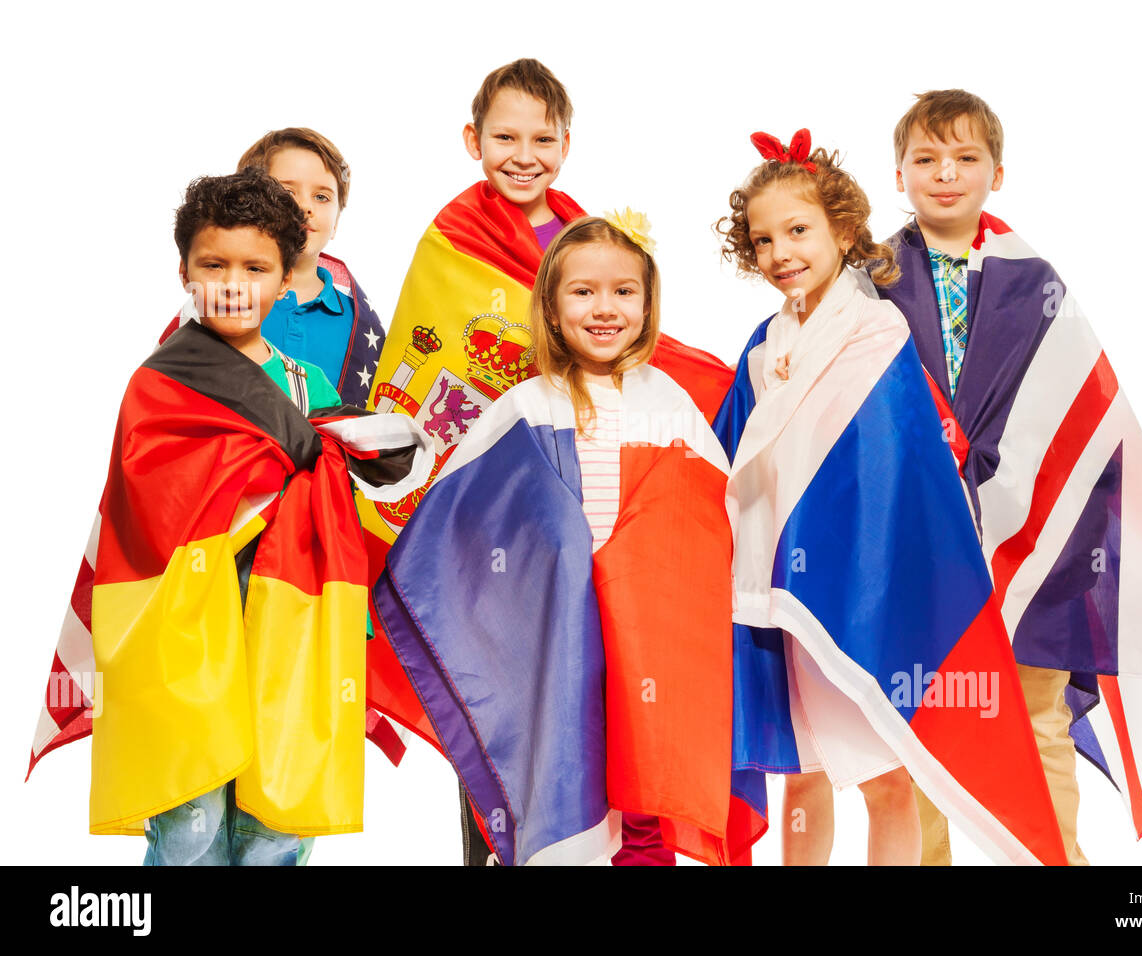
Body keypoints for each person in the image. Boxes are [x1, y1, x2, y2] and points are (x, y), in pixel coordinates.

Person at [361, 58, 732, 865]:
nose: (523, 153)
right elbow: (428, 376)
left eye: (542, 137)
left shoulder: (579, 236)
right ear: (474, 139)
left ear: (566, 144)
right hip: (514, 545)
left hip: (622, 586)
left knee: (634, 765)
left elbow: (691, 486)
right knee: (515, 736)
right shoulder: (450, 244)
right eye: (504, 136)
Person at [880, 89, 1142, 864]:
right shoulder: (876, 277)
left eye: (965, 158)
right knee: (926, 719)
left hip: (1037, 534)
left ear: (997, 171)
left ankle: (1056, 858)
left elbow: (1080, 408)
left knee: (1036, 715)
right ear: (899, 175)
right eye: (926, 159)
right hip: (920, 532)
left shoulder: (1033, 280)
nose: (945, 174)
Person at [27, 169, 431, 864]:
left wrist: (342, 462)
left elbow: (352, 485)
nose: (234, 283)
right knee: (191, 817)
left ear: (284, 278)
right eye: (214, 265)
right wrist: (282, 471)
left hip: (290, 614)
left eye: (255, 267)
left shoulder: (310, 388)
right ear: (184, 271)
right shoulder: (162, 383)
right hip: (184, 625)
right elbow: (149, 505)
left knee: (276, 821)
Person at [713, 130, 1066, 866]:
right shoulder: (760, 345)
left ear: (842, 230)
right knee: (802, 774)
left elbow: (891, 468)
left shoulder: (876, 329)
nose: (782, 253)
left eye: (799, 231)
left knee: (888, 776)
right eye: (764, 239)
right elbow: (733, 457)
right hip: (780, 590)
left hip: (860, 587)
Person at [159, 128, 386, 407]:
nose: (305, 207)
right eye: (287, 192)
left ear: (337, 220)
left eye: (322, 197)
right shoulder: (221, 306)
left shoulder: (360, 324)